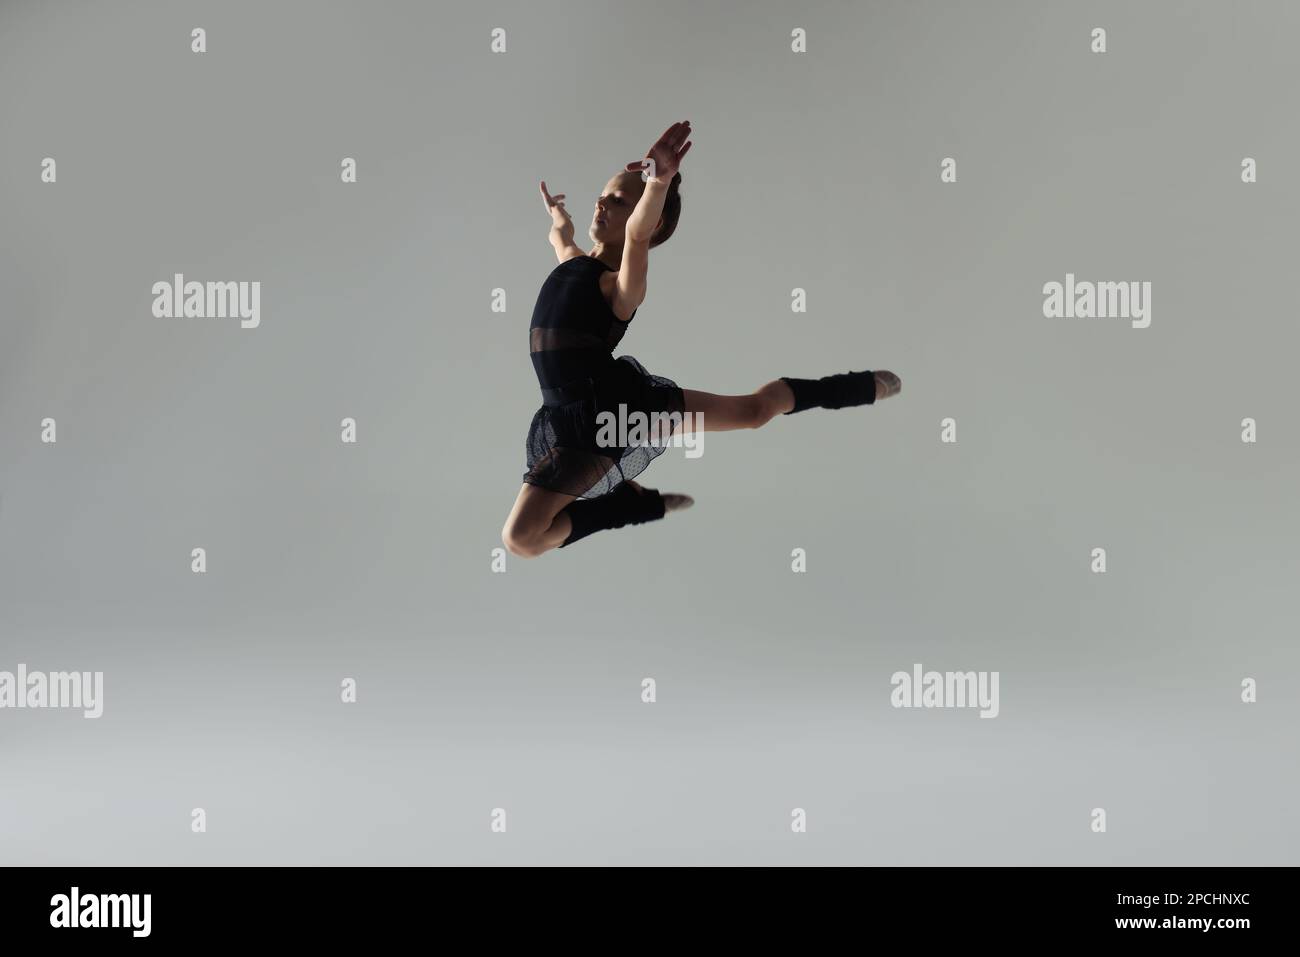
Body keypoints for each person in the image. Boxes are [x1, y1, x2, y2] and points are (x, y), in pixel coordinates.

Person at [501, 121, 901, 557]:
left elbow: (636, 234)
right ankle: (631, 505)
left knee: (753, 411)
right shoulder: (574, 262)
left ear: (651, 220)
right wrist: (559, 221)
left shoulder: (621, 287)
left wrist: (659, 183)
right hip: (566, 420)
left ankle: (853, 387)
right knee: (524, 540)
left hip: (617, 407)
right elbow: (561, 239)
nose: (602, 202)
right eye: (603, 194)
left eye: (618, 200)